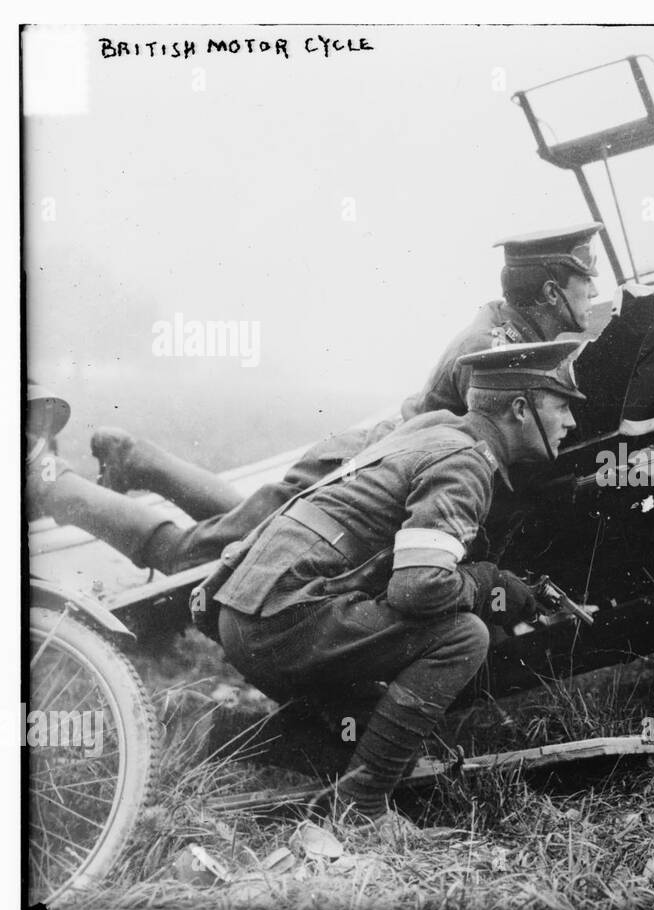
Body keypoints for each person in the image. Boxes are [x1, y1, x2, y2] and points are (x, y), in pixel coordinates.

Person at [26, 223, 603, 576]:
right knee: (198, 558)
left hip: (367, 466)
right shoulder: (494, 345)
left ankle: (137, 459)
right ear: (552, 290)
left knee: (247, 531)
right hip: (357, 469)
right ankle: (52, 484)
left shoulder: (522, 334)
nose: (595, 291)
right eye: (587, 279)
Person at [214, 340, 584, 821]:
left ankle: (224, 732)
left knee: (378, 737)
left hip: (247, 611)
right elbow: (418, 587)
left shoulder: (432, 430)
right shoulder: (466, 463)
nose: (570, 423)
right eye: (561, 407)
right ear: (520, 408)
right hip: (285, 620)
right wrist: (489, 585)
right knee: (463, 637)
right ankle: (362, 808)